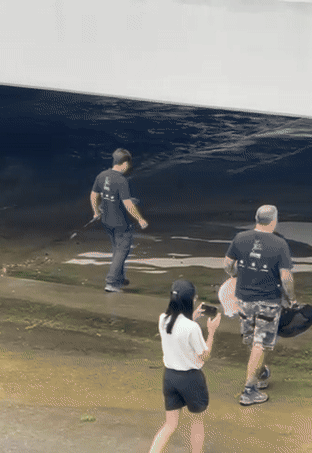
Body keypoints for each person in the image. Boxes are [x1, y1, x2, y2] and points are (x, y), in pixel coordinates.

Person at [223, 204, 298, 406]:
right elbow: (286, 277)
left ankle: (261, 372)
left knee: (252, 339)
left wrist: (234, 276)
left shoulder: (240, 238)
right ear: (274, 221)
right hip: (268, 300)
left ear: (256, 218)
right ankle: (249, 390)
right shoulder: (279, 244)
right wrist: (291, 297)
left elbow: (228, 264)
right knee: (260, 343)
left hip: (244, 298)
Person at [149, 279, 221, 453]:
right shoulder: (192, 328)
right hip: (191, 379)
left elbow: (177, 330)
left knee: (170, 424)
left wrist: (192, 317)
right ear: (190, 300)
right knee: (197, 422)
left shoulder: (163, 319)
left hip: (170, 377)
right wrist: (211, 332)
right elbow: (205, 355)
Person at [89, 148, 149, 292]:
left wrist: (96, 211)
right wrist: (140, 219)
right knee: (122, 251)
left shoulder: (102, 175)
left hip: (107, 221)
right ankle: (111, 283)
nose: (129, 167)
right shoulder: (122, 181)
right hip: (121, 223)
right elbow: (128, 204)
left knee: (117, 249)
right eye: (128, 164)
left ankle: (119, 279)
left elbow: (93, 195)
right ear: (123, 163)